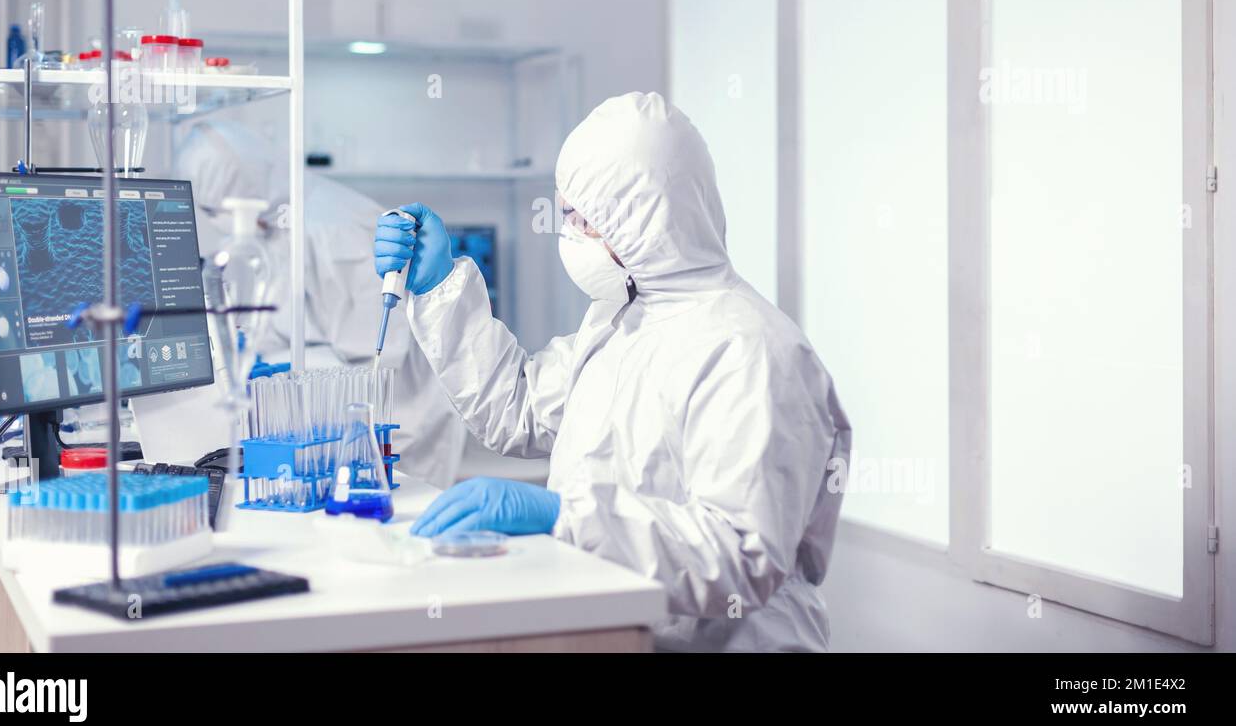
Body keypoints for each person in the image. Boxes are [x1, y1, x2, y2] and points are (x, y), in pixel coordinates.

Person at [376, 92, 852, 652]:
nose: (568, 233)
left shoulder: (752, 351)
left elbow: (739, 556)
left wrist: (565, 517)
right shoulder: (624, 317)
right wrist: (440, 292)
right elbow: (522, 411)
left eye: (583, 219)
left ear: (643, 221)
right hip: (621, 631)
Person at [176, 120, 467, 488]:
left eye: (217, 207)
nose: (220, 220)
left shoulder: (332, 229)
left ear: (246, 187)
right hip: (328, 432)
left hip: (397, 425)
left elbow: (377, 361)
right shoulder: (276, 223)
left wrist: (282, 378)